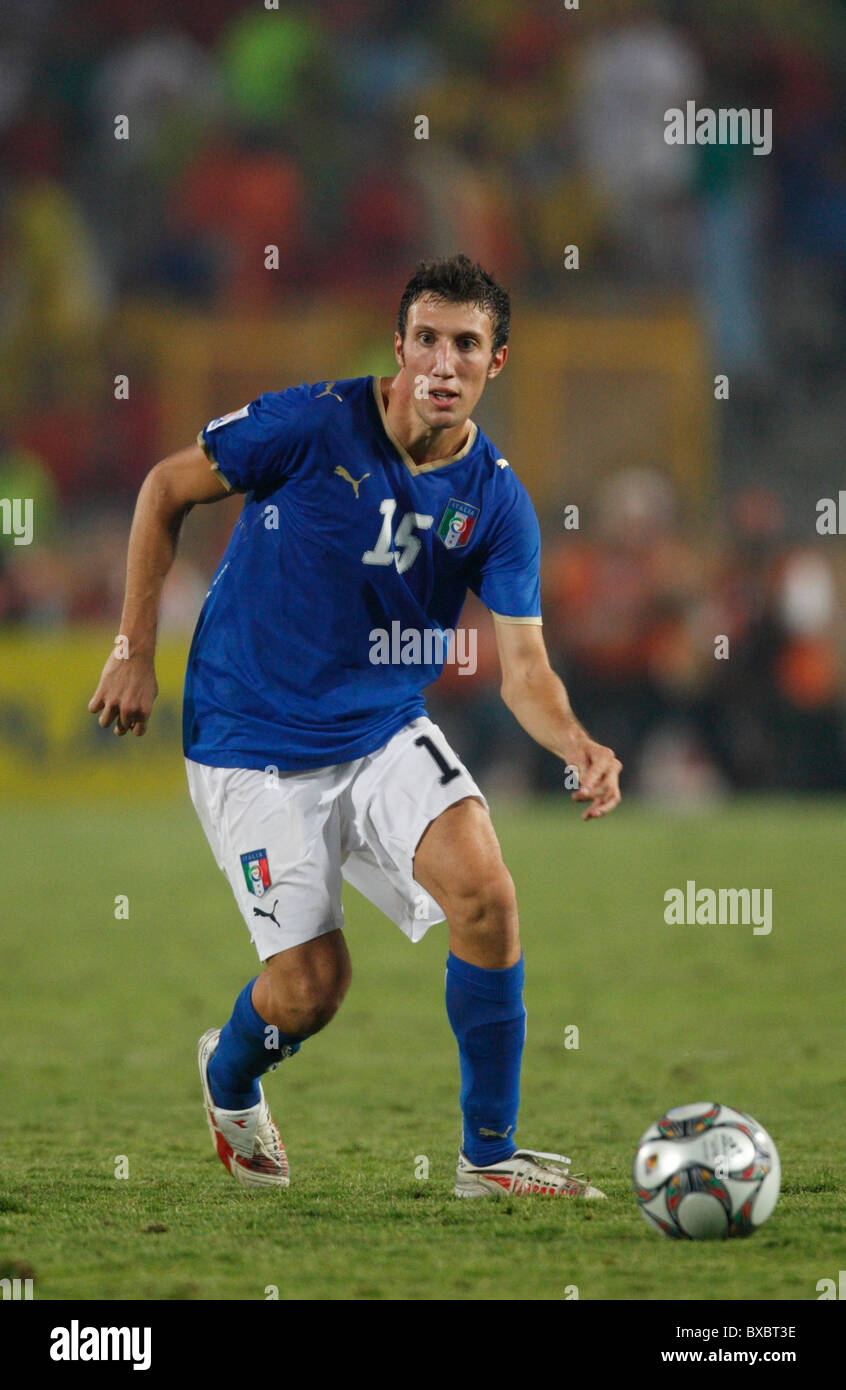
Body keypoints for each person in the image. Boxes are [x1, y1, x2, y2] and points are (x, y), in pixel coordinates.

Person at [88, 254, 622, 1198]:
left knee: (487, 894)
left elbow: (524, 668)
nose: (443, 364)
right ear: (401, 346)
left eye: (467, 344)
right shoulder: (310, 424)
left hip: (381, 725)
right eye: (428, 340)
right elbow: (164, 489)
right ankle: (229, 1078)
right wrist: (134, 646)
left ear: (498, 361)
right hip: (250, 735)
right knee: (312, 990)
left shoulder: (495, 501)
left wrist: (576, 743)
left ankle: (488, 1163)